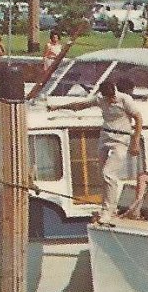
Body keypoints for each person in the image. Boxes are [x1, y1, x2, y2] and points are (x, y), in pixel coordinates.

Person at [59, 78, 143, 223]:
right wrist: (58, 107)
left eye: (113, 97)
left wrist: (135, 142)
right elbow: (81, 105)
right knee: (103, 176)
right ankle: (105, 208)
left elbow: (138, 118)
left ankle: (109, 211)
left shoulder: (125, 99)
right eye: (108, 98)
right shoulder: (100, 99)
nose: (111, 100)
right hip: (105, 137)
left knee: (108, 173)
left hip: (121, 139)